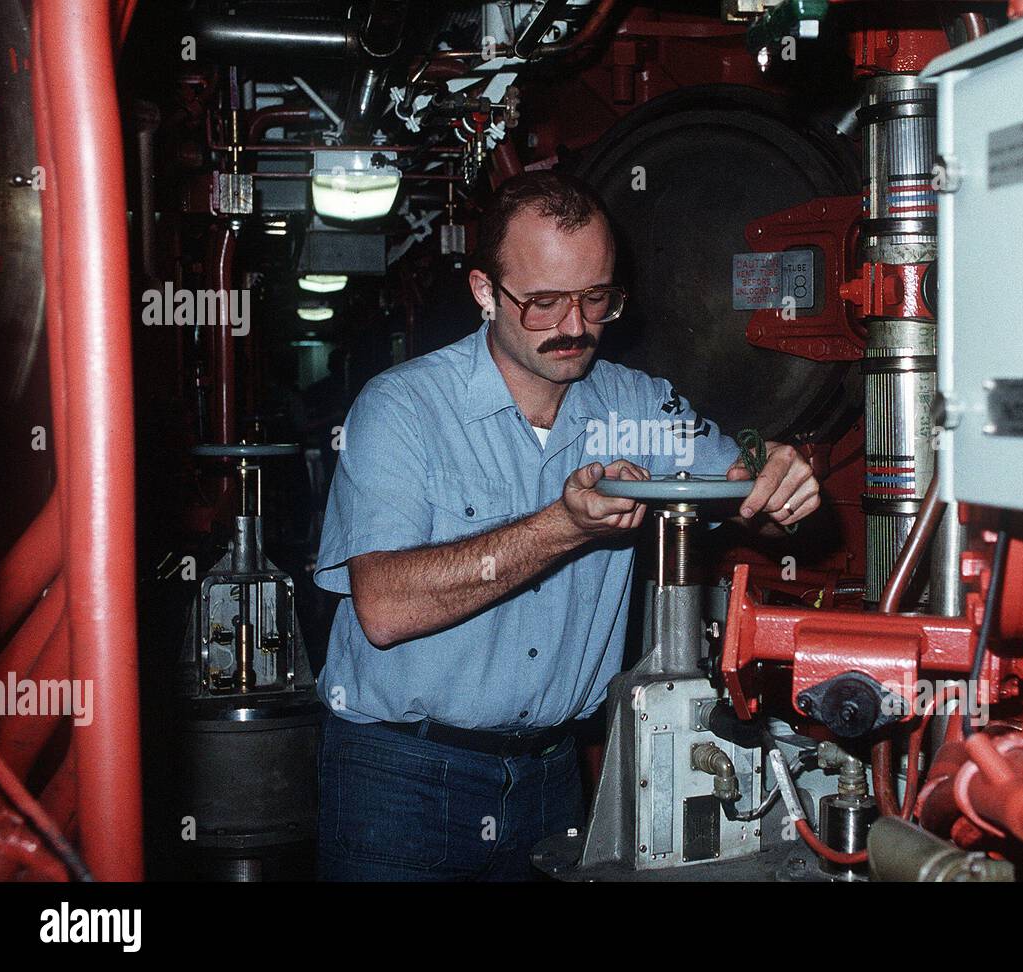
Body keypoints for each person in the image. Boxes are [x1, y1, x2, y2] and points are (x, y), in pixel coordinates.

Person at [313, 170, 821, 880]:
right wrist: (563, 525)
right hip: (401, 776)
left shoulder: (640, 405)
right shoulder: (402, 409)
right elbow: (385, 607)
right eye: (544, 303)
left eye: (596, 298)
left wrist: (775, 475)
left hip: (554, 777)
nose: (575, 327)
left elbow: (741, 488)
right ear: (487, 292)